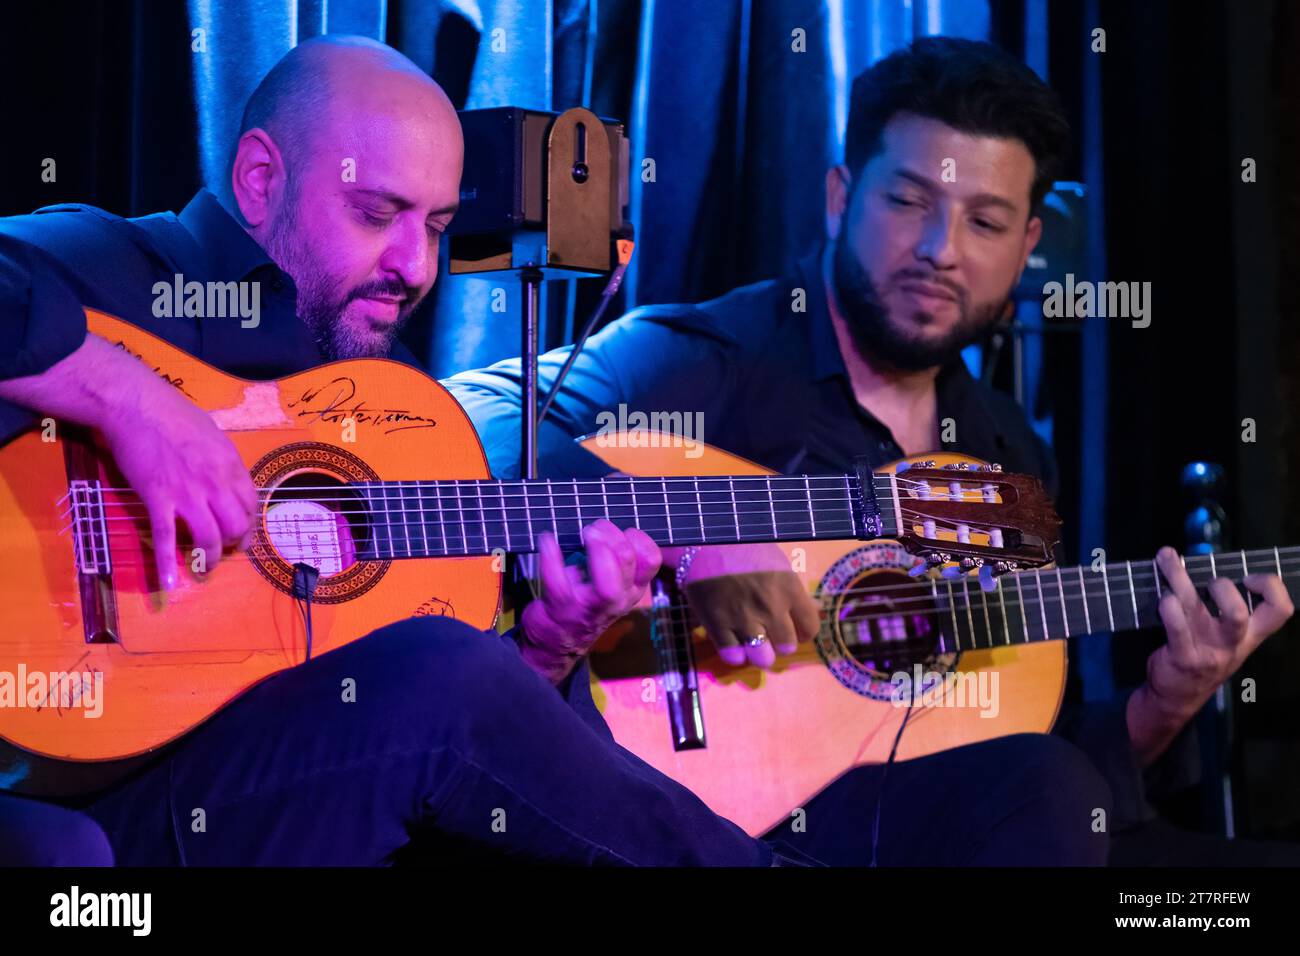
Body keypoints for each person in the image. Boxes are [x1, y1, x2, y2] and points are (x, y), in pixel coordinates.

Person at [445, 37, 1298, 865]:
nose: (941, 251)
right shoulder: (706, 359)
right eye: (908, 202)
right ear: (838, 196)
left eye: (986, 221)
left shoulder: (1006, 455)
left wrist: (1169, 698)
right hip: (701, 816)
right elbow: (477, 434)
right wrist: (693, 532)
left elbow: (1035, 741)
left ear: (1028, 246)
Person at [0, 35, 795, 867]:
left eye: (439, 226)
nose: (415, 266)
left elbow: (411, 734)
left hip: (251, 792)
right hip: (82, 790)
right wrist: (128, 399)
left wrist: (549, 649)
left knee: (455, 691)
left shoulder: (398, 412)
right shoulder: (130, 272)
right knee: (447, 680)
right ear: (261, 179)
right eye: (376, 214)